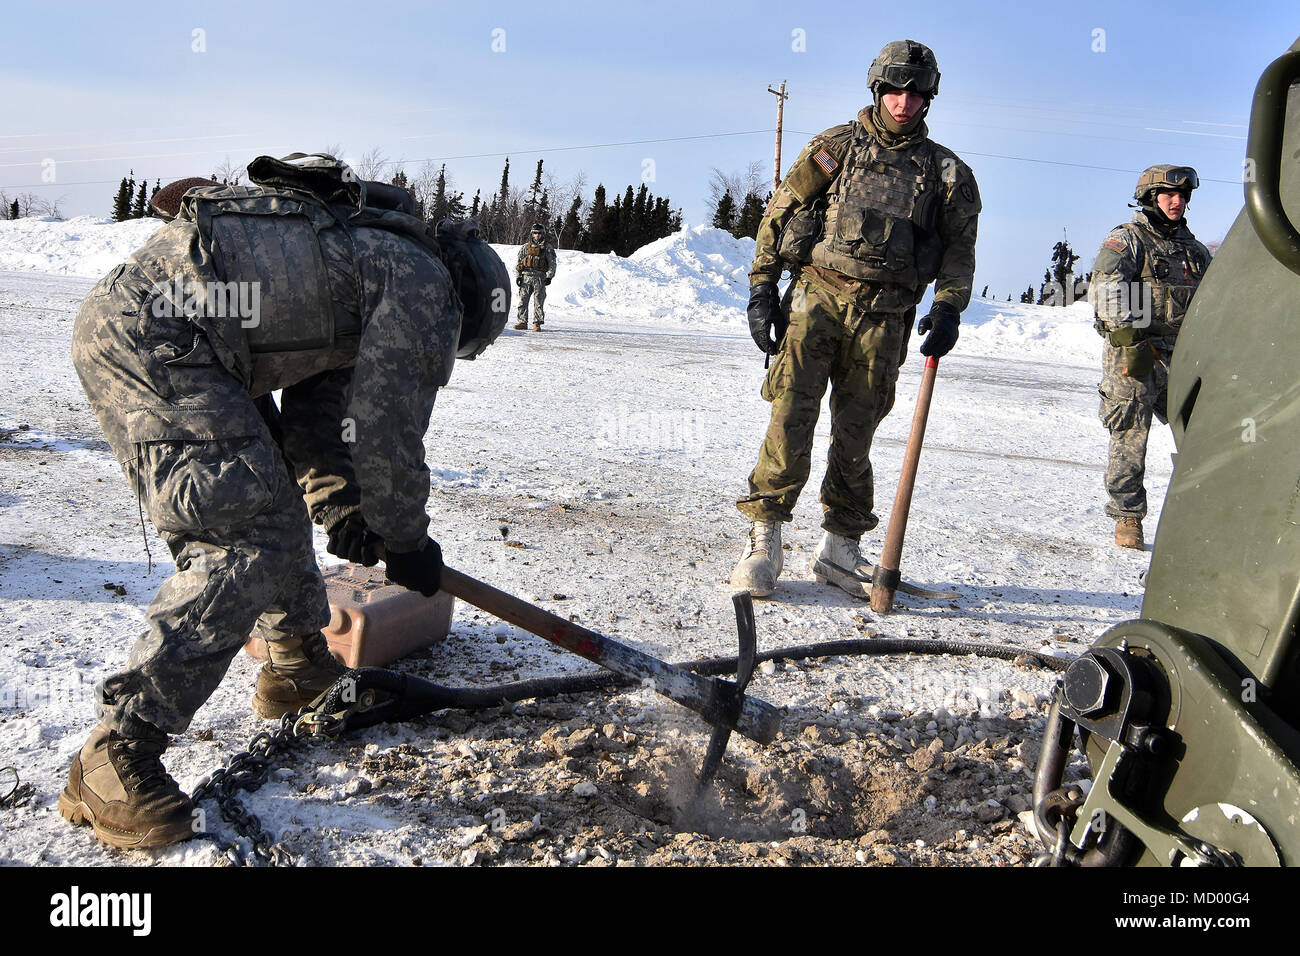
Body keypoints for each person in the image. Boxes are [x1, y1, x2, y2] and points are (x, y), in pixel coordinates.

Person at [58, 154, 508, 850]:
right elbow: (388, 426)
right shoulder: (424, 284)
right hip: (158, 337)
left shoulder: (372, 262)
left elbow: (319, 425)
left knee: (268, 493)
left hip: (181, 336)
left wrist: (349, 517)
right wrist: (406, 539)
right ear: (464, 306)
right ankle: (115, 750)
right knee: (243, 535)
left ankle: (296, 660)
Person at [730, 39, 981, 599]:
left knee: (857, 430)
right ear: (877, 88)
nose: (904, 102)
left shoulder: (947, 173)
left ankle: (841, 548)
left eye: (916, 93)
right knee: (790, 411)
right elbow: (781, 214)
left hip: (887, 315)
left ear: (929, 98)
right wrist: (762, 289)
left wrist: (948, 306)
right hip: (818, 298)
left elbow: (961, 249)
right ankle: (765, 535)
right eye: (895, 89)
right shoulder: (834, 149)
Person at [1089, 165, 1211, 550]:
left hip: (1184, 357)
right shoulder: (1128, 240)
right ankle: (1128, 516)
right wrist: (1133, 338)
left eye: (1183, 196)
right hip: (1135, 354)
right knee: (1130, 435)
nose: (1177, 202)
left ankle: (1201, 512)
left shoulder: (1195, 251)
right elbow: (1106, 291)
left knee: (1204, 432)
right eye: (1168, 195)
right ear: (1149, 197)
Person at [514, 222, 557, 331]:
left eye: (539, 233)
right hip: (526, 277)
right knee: (523, 300)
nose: (537, 235)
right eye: (535, 233)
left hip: (539, 278)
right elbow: (519, 262)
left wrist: (549, 277)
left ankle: (537, 323)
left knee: (538, 301)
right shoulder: (525, 247)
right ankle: (522, 322)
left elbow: (552, 263)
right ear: (532, 234)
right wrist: (518, 276)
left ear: (543, 234)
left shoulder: (547, 247)